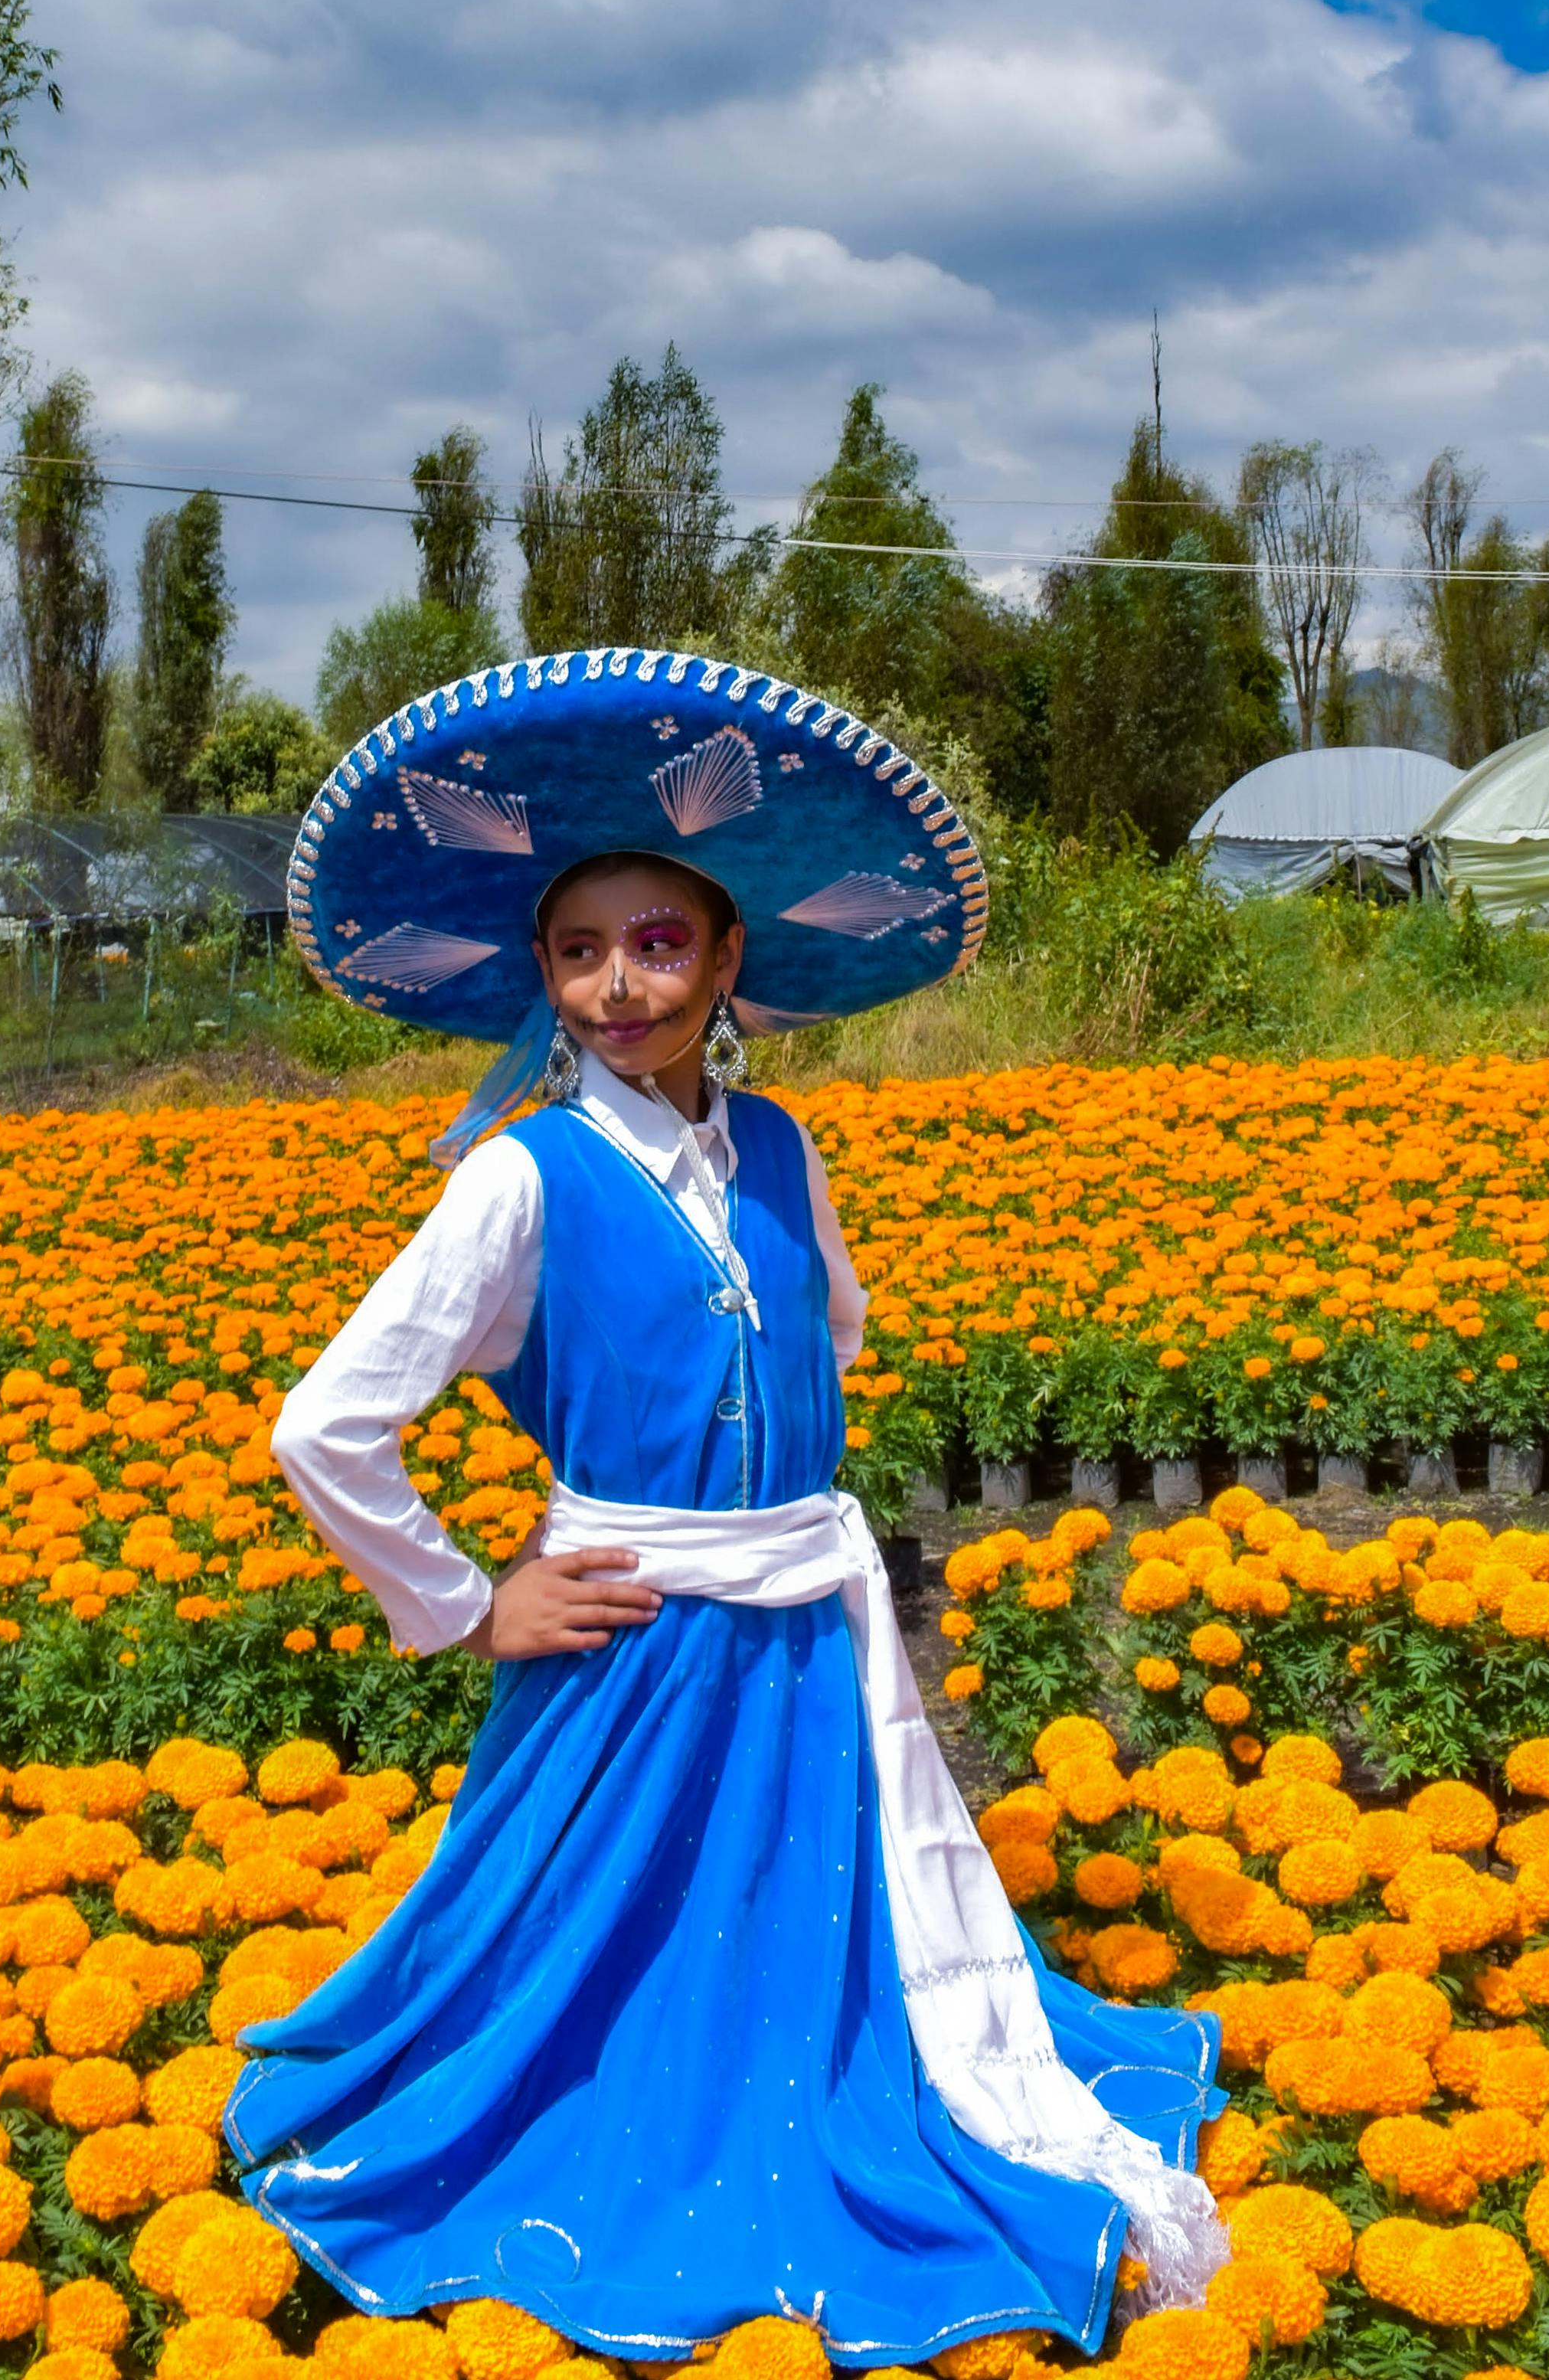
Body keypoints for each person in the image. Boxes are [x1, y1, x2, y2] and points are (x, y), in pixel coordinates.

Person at [227, 649, 1223, 2365]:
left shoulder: (779, 1149)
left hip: (797, 1638)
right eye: (580, 948)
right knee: (591, 1972)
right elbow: (327, 1424)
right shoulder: (519, 1177)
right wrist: (474, 1603)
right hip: (630, 1651)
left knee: (804, 1940)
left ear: (730, 954)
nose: (619, 983)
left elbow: (823, 1318)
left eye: (659, 941)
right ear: (540, 974)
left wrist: (766, 1440)